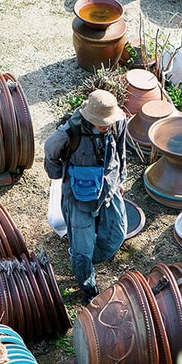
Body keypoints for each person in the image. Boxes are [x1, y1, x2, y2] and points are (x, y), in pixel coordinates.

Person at [44, 89, 128, 301]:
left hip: (108, 188)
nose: (107, 125)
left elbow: (121, 151)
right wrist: (59, 178)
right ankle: (87, 285)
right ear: (90, 117)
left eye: (109, 121)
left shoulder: (118, 123)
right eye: (102, 122)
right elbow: (50, 154)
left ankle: (90, 252)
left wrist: (120, 181)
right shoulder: (68, 133)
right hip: (79, 195)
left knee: (117, 232)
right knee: (82, 251)